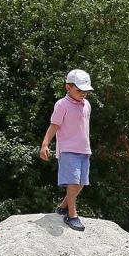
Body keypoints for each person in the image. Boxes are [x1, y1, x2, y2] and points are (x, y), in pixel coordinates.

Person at [39, 69, 94, 232]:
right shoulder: (62, 104)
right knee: (73, 182)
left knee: (81, 183)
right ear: (68, 87)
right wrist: (45, 145)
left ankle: (63, 206)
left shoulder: (87, 105)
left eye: (86, 91)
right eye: (79, 90)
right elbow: (54, 125)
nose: (83, 93)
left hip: (84, 150)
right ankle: (72, 214)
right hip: (69, 149)